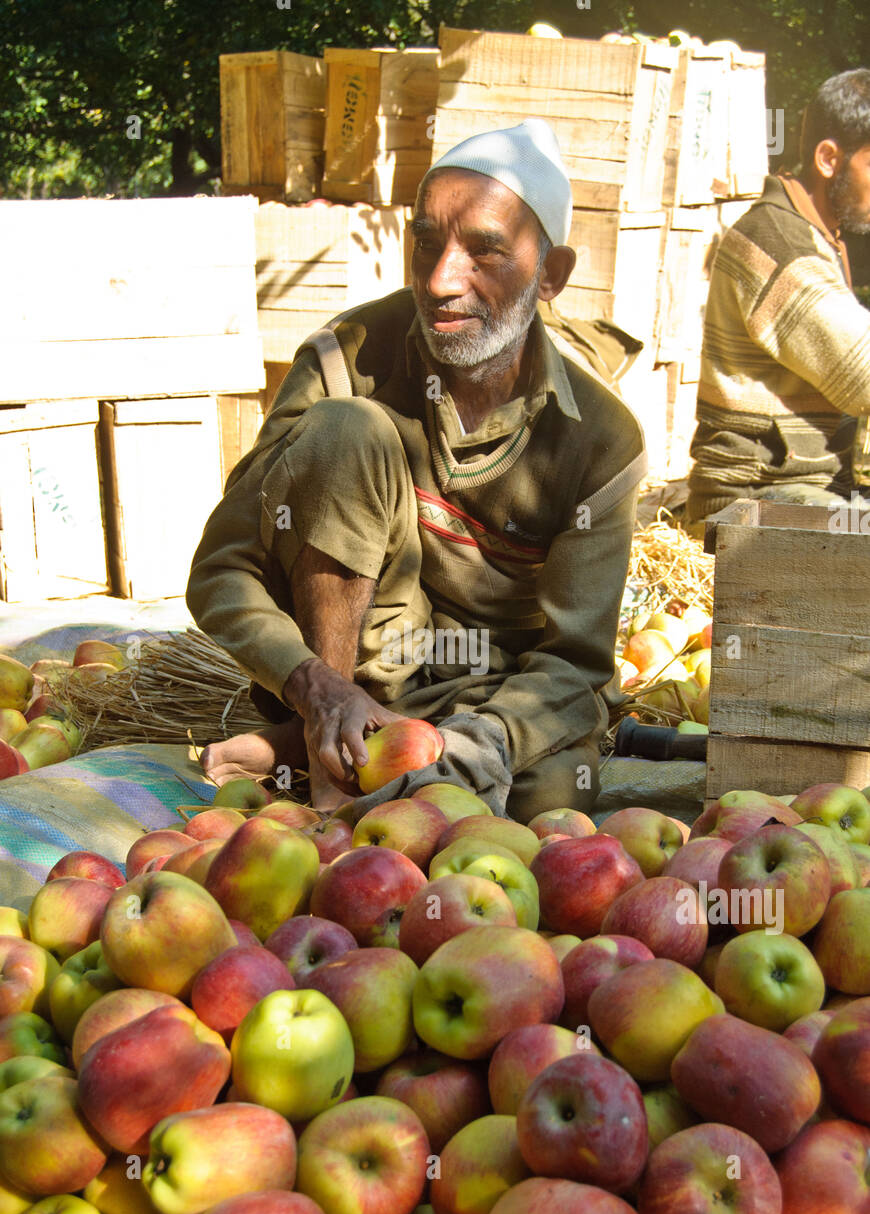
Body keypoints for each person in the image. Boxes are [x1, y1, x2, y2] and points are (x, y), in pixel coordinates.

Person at [185, 120, 647, 821]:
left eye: (484, 251)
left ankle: (354, 752)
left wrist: (486, 742)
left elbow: (576, 666)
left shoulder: (602, 441)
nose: (440, 281)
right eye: (426, 244)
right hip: (345, 668)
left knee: (553, 804)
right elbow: (222, 572)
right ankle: (329, 760)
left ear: (551, 275)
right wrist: (314, 688)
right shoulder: (344, 362)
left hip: (485, 691)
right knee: (348, 429)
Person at [685, 68, 870, 524]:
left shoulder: (810, 231)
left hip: (804, 481)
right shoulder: (779, 245)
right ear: (829, 159)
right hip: (749, 497)